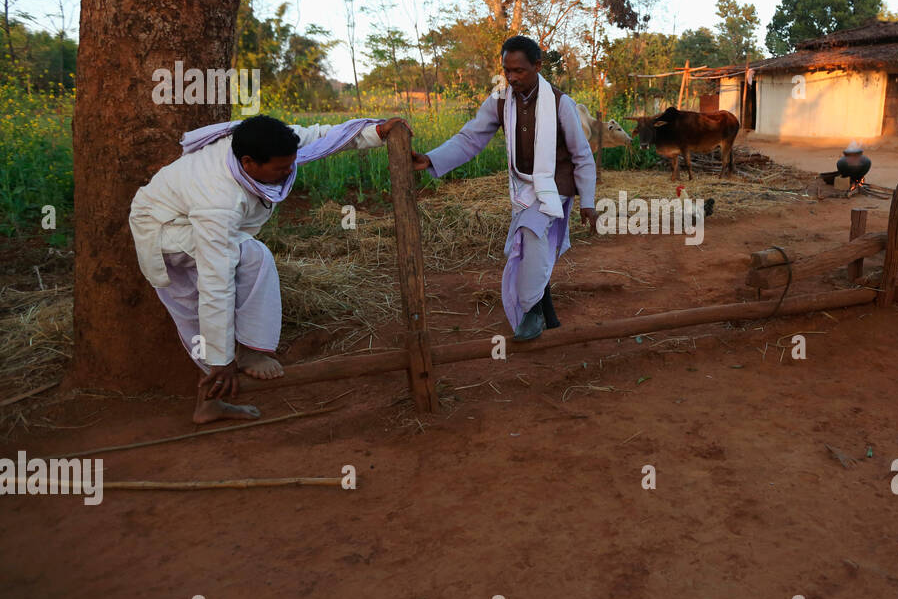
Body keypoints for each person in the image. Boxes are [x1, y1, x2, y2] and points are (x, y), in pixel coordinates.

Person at [130, 113, 409, 424]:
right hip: (164, 230)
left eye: (290, 163)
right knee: (248, 259)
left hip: (187, 218)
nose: (289, 171)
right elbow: (216, 281)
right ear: (248, 163)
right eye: (280, 168)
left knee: (236, 274)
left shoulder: (269, 140)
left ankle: (210, 401)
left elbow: (320, 137)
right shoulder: (218, 202)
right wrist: (221, 360)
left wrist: (376, 132)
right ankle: (245, 354)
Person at [411, 36, 596, 342]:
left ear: (537, 66)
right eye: (507, 71)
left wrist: (587, 201)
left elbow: (582, 156)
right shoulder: (501, 100)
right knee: (526, 251)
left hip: (554, 186)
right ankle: (546, 314)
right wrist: (431, 158)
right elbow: (470, 138)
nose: (511, 77)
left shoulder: (562, 104)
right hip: (522, 187)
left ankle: (531, 311)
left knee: (531, 233)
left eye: (519, 71)